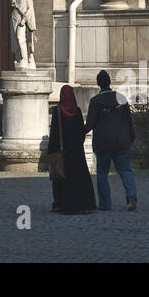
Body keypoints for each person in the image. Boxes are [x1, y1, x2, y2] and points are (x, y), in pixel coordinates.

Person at [88, 69, 138, 211]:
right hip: (122, 141)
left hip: (103, 143)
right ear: (109, 82)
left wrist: (78, 133)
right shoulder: (121, 98)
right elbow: (129, 121)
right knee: (125, 170)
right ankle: (131, 195)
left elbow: (90, 124)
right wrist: (131, 137)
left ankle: (105, 204)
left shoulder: (95, 101)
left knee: (102, 174)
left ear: (98, 84)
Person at [47, 84, 96, 213]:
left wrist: (51, 151)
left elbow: (54, 134)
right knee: (80, 178)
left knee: (61, 178)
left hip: (62, 151)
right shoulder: (77, 111)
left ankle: (62, 203)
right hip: (76, 151)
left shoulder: (57, 111)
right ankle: (84, 204)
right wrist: (78, 144)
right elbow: (81, 131)